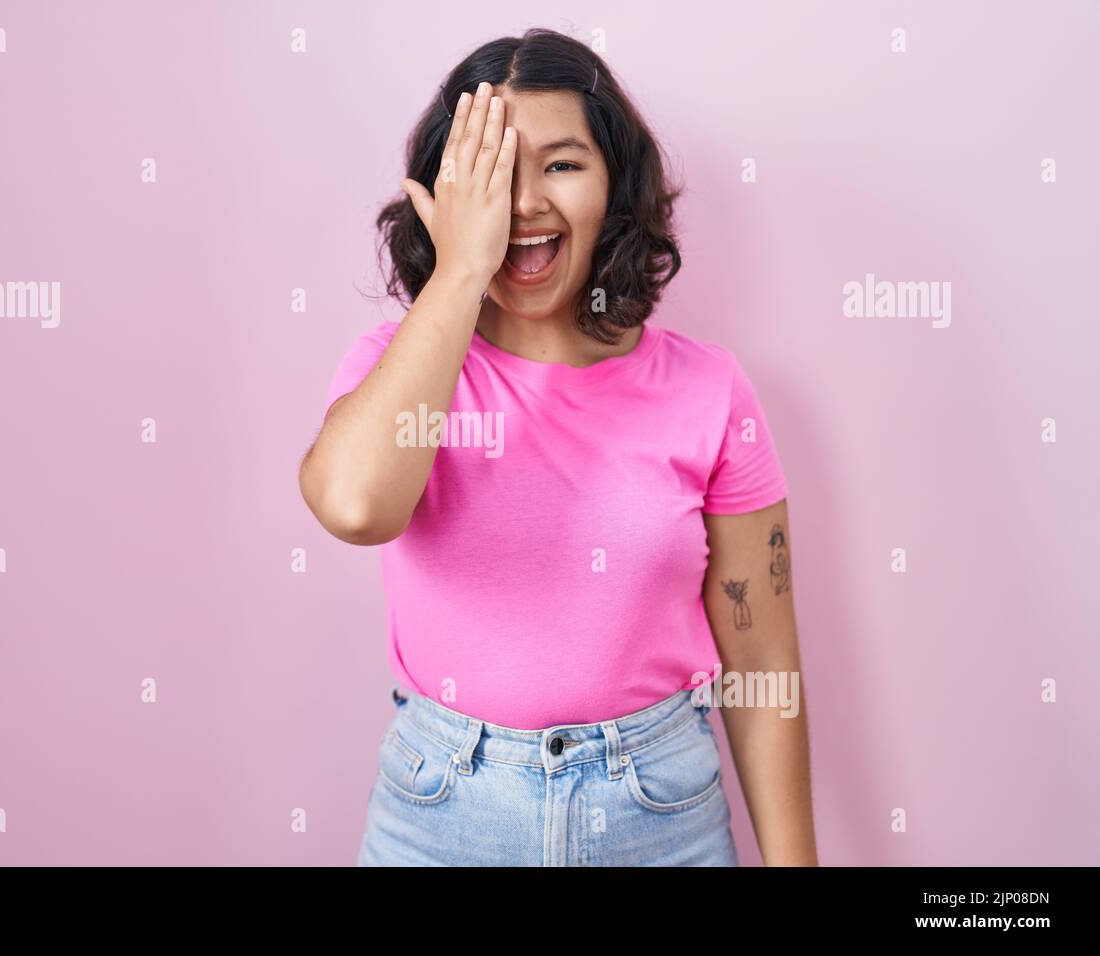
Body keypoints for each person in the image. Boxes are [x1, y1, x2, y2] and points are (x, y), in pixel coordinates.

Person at [299, 28, 816, 866]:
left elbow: (762, 664)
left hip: (663, 816)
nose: (526, 202)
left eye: (562, 164)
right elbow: (355, 505)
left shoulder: (710, 390)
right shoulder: (393, 373)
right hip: (442, 815)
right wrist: (462, 270)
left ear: (614, 185)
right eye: (492, 174)